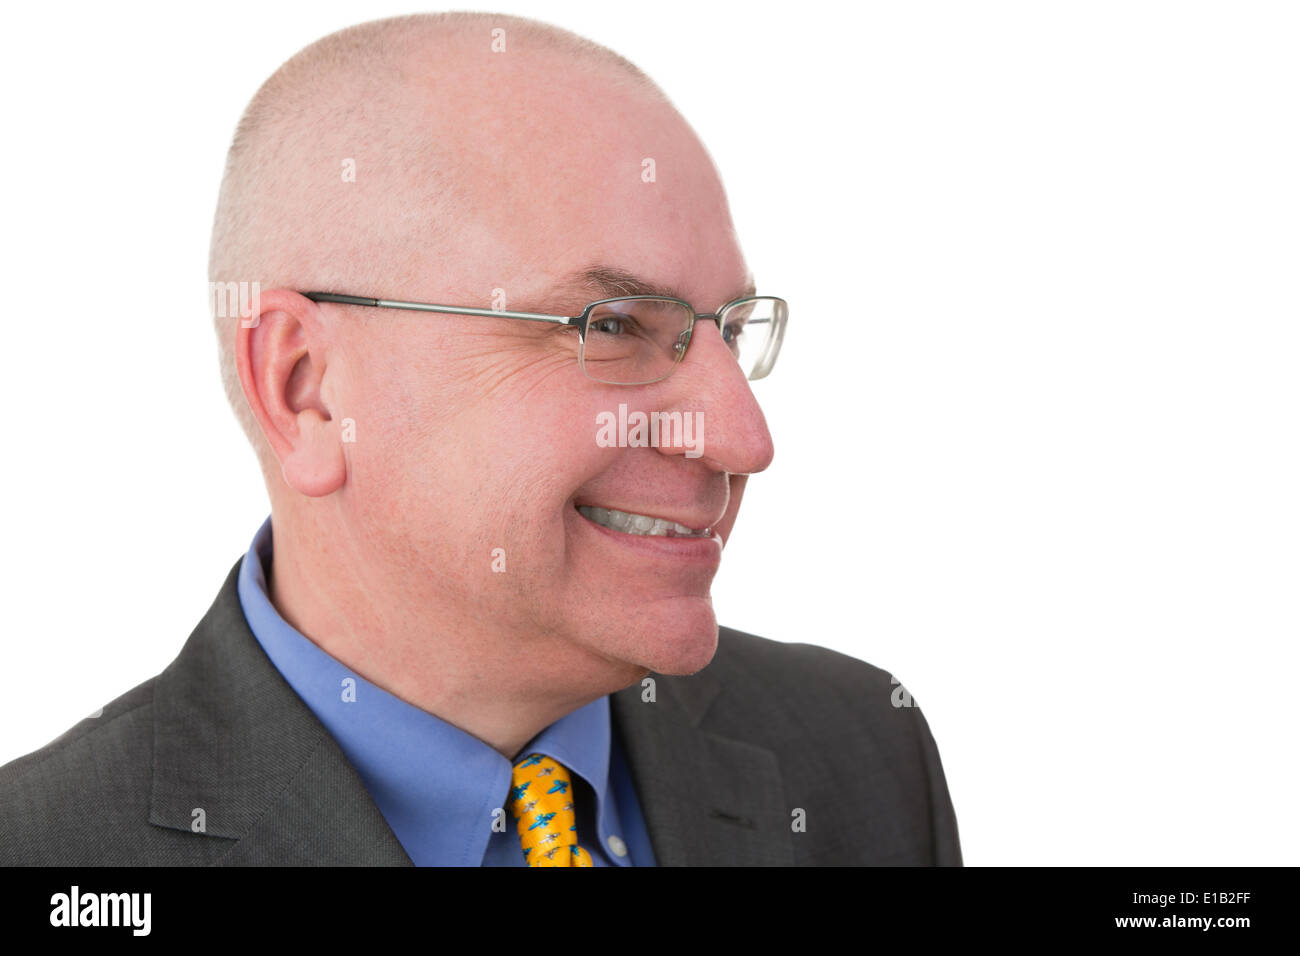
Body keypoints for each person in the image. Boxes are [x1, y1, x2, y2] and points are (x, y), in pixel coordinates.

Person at [0, 11, 961, 866]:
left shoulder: (862, 757)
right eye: (615, 325)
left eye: (732, 329)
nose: (744, 440)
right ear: (307, 390)